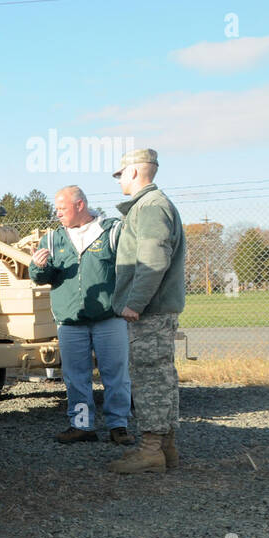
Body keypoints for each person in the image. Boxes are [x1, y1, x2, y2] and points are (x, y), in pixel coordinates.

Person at [29, 186, 132, 444]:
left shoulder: (111, 231)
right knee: (76, 378)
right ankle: (82, 425)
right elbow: (40, 277)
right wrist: (38, 266)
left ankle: (118, 426)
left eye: (62, 209)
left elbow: (131, 268)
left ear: (80, 206)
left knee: (115, 374)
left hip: (109, 318)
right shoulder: (53, 239)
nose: (57, 214)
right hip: (70, 322)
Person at [107, 148, 186, 474]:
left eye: (121, 173)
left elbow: (153, 260)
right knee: (163, 376)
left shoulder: (151, 207)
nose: (119, 179)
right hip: (155, 310)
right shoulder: (154, 205)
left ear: (135, 173)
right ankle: (165, 447)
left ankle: (151, 449)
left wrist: (134, 304)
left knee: (150, 379)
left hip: (149, 311)